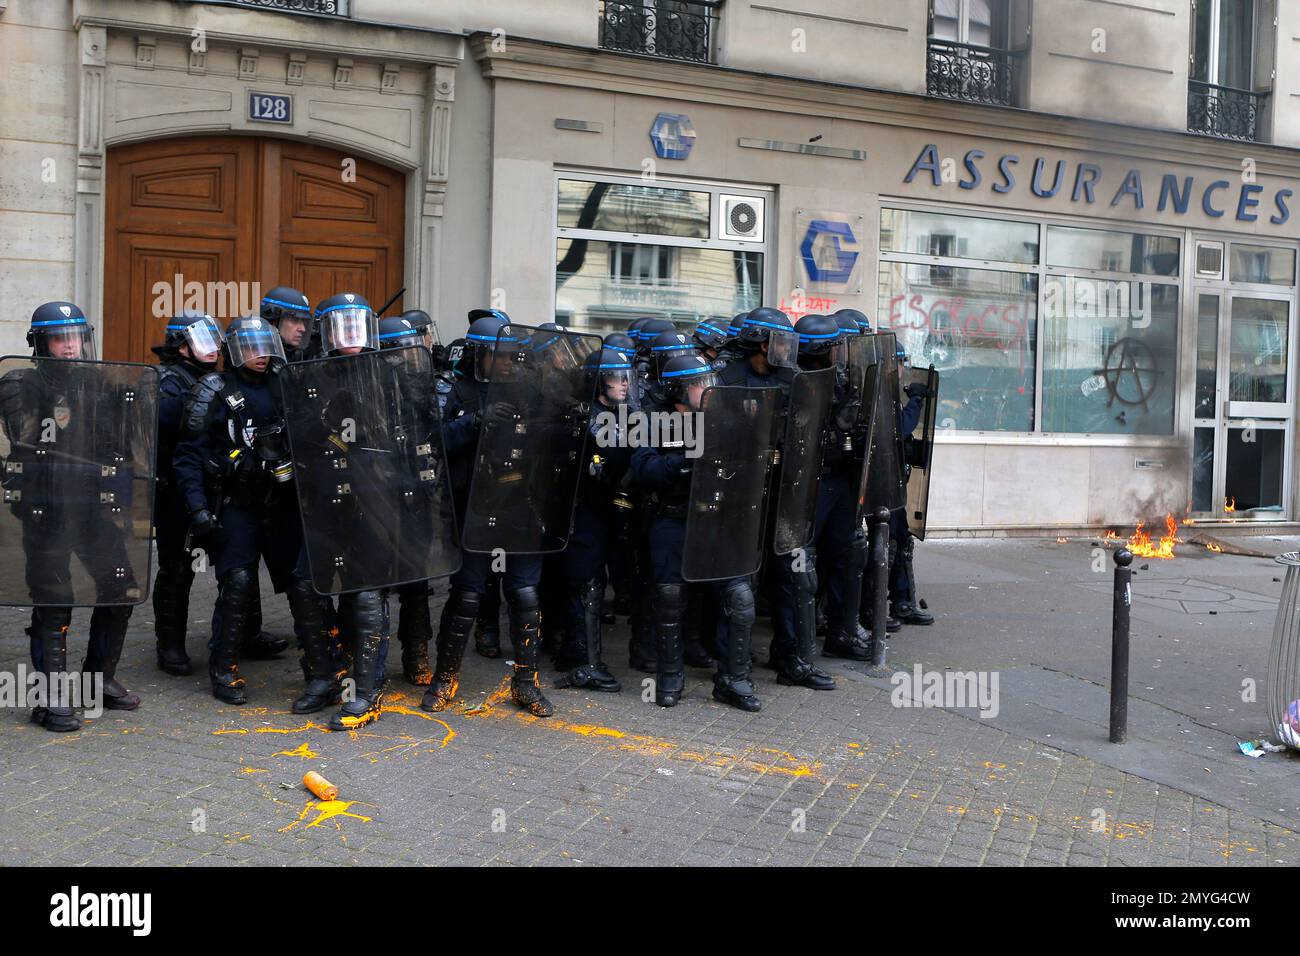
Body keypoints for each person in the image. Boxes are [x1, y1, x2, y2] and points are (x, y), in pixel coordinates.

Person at [172, 316, 341, 714]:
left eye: (266, 346)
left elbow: (318, 435)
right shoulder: (214, 390)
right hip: (238, 503)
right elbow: (188, 457)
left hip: (284, 504)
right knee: (238, 581)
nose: (261, 356)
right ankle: (224, 669)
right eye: (250, 348)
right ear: (233, 351)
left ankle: (323, 675)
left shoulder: (288, 386)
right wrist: (197, 506)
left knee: (304, 585)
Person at [2, 302, 145, 731]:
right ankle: (51, 697)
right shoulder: (19, 383)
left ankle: (99, 679)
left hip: (90, 507)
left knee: (121, 586)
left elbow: (111, 444)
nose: (70, 346)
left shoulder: (95, 382)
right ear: (41, 343)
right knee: (54, 597)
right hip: (44, 508)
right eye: (60, 338)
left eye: (76, 337)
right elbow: (26, 433)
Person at [420, 310, 555, 718]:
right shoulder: (452, 388)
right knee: (467, 593)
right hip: (473, 507)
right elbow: (433, 441)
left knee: (525, 593)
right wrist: (474, 421)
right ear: (480, 353)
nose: (511, 361)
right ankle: (446, 678)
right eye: (502, 354)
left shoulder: (529, 389)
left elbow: (549, 440)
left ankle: (527, 684)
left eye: (515, 354)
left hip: (518, 505)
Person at [631, 353, 763, 711]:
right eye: (698, 384)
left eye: (708, 382)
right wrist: (683, 459)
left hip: (717, 519)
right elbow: (644, 470)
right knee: (670, 598)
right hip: (673, 519)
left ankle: (733, 680)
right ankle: (670, 677)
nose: (707, 389)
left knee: (739, 597)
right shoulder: (652, 421)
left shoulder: (724, 418)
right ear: (677, 389)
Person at [553, 348, 634, 693]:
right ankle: (586, 663)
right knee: (586, 585)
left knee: (590, 582)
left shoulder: (618, 413)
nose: (625, 385)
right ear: (599, 381)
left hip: (604, 510)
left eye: (627, 378)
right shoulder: (586, 415)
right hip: (583, 510)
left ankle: (574, 652)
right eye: (617, 378)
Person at [152, 311, 224, 676]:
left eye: (215, 343)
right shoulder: (168, 383)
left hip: (212, 486)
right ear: (181, 347)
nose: (213, 350)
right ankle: (170, 646)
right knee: (177, 568)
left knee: (233, 563)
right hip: (174, 491)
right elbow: (167, 428)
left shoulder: (216, 379)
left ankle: (242, 637)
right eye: (203, 343)